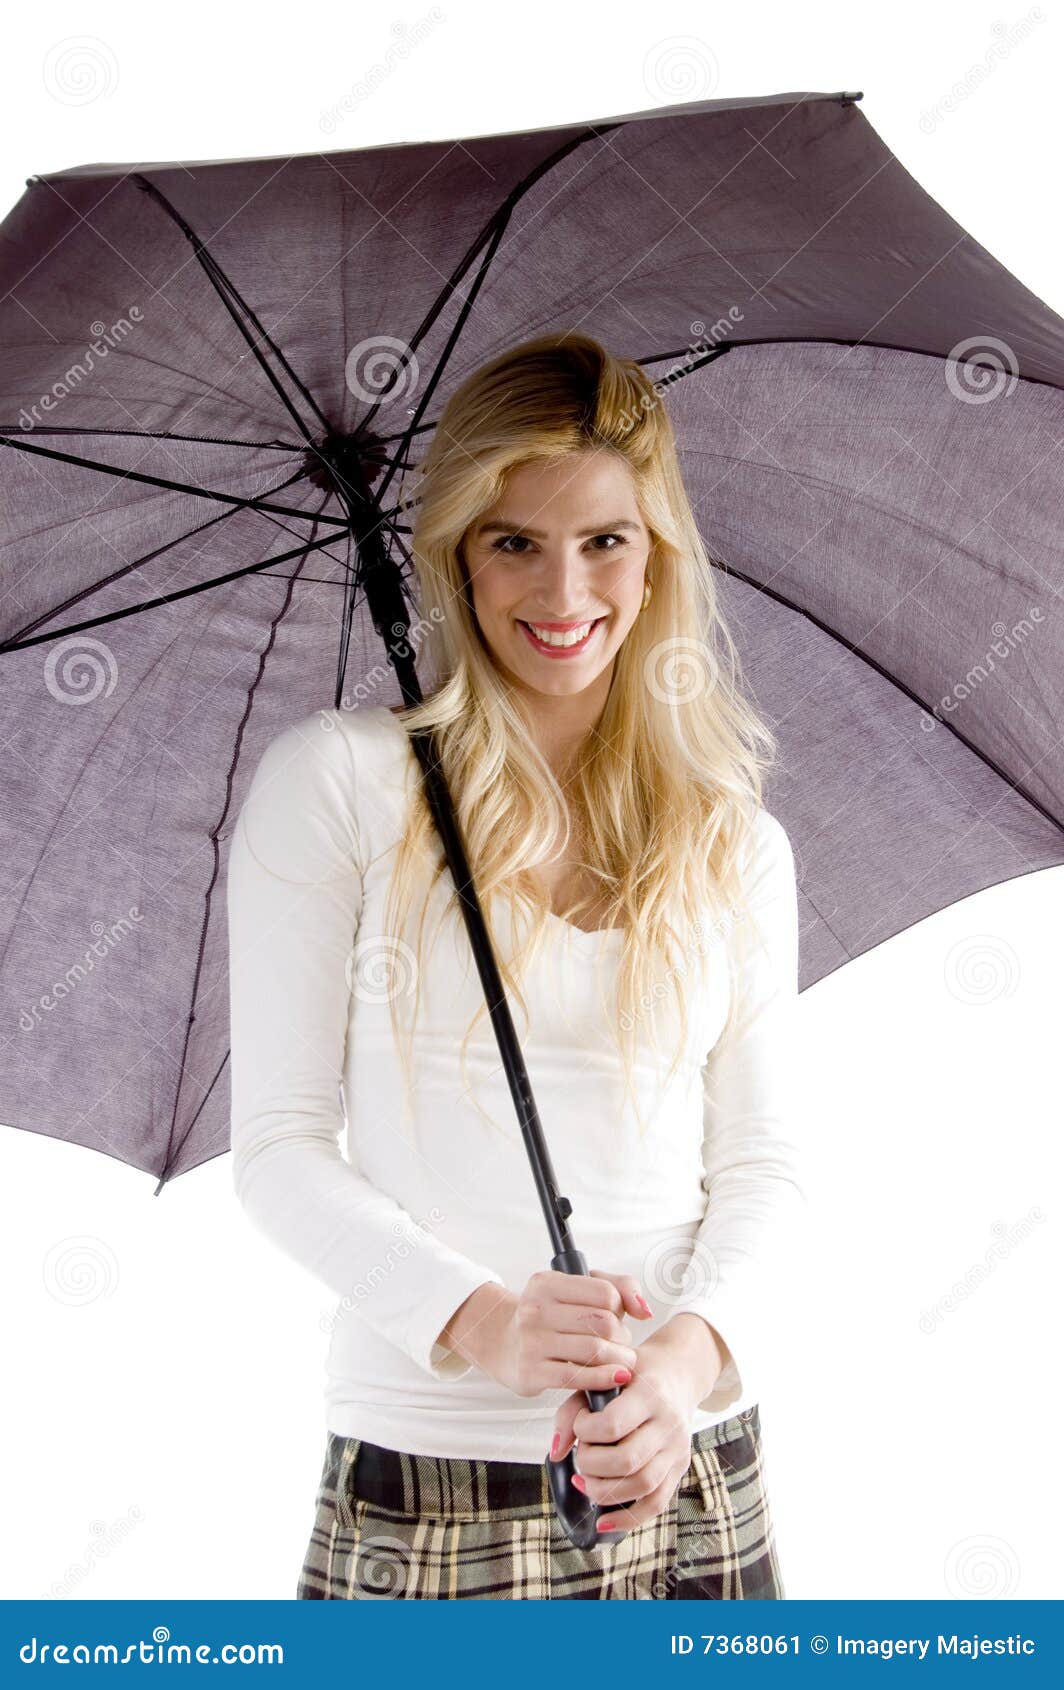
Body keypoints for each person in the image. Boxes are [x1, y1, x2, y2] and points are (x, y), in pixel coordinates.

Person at [226, 332, 804, 1600]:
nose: (562, 590)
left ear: (655, 555)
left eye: (603, 540)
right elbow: (274, 1146)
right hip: (428, 1489)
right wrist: (481, 1321)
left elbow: (763, 1163)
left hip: (685, 1471)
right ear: (453, 553)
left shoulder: (730, 840)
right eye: (513, 542)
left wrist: (680, 1368)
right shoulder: (341, 785)